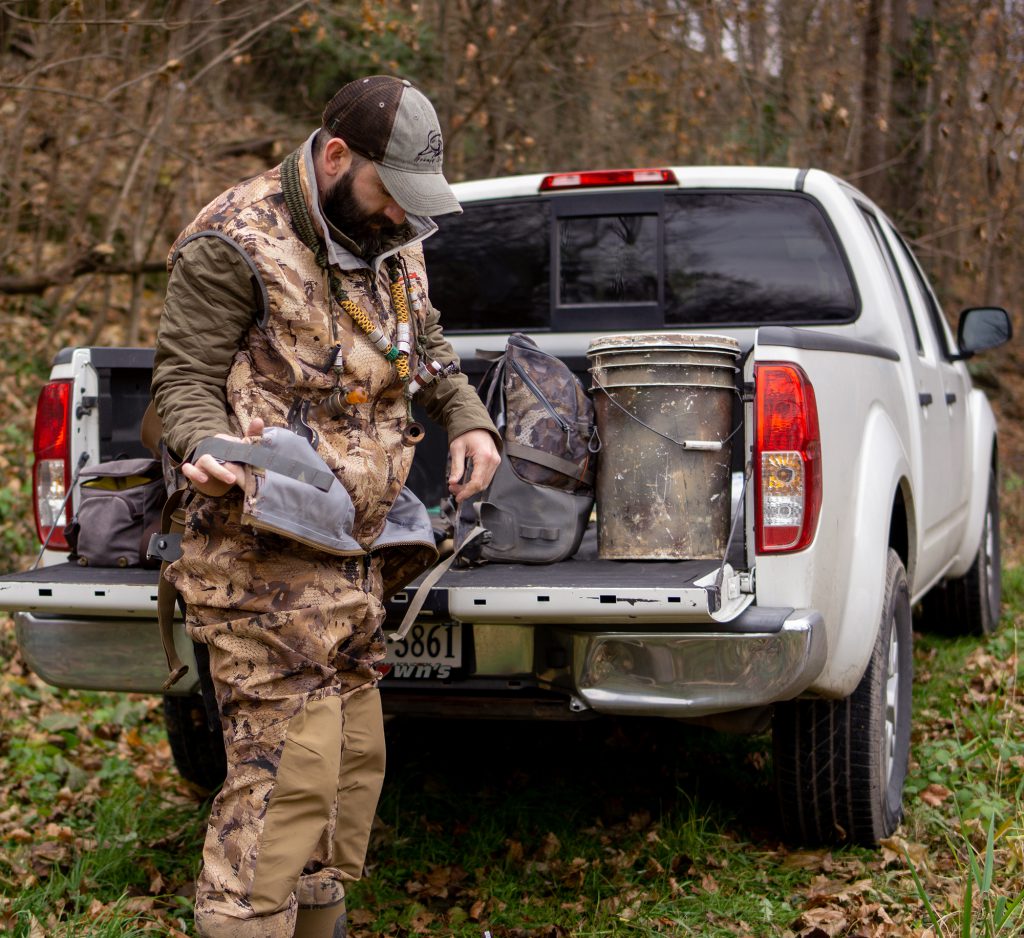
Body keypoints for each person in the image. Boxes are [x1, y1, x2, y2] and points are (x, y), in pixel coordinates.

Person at [152, 75, 501, 938]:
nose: (402, 214)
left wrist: (466, 416)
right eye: (392, 190)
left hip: (357, 553)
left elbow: (424, 346)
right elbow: (183, 380)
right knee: (286, 777)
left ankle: (315, 922)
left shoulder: (393, 235)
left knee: (347, 766)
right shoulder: (235, 238)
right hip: (259, 552)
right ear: (338, 156)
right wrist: (205, 446)